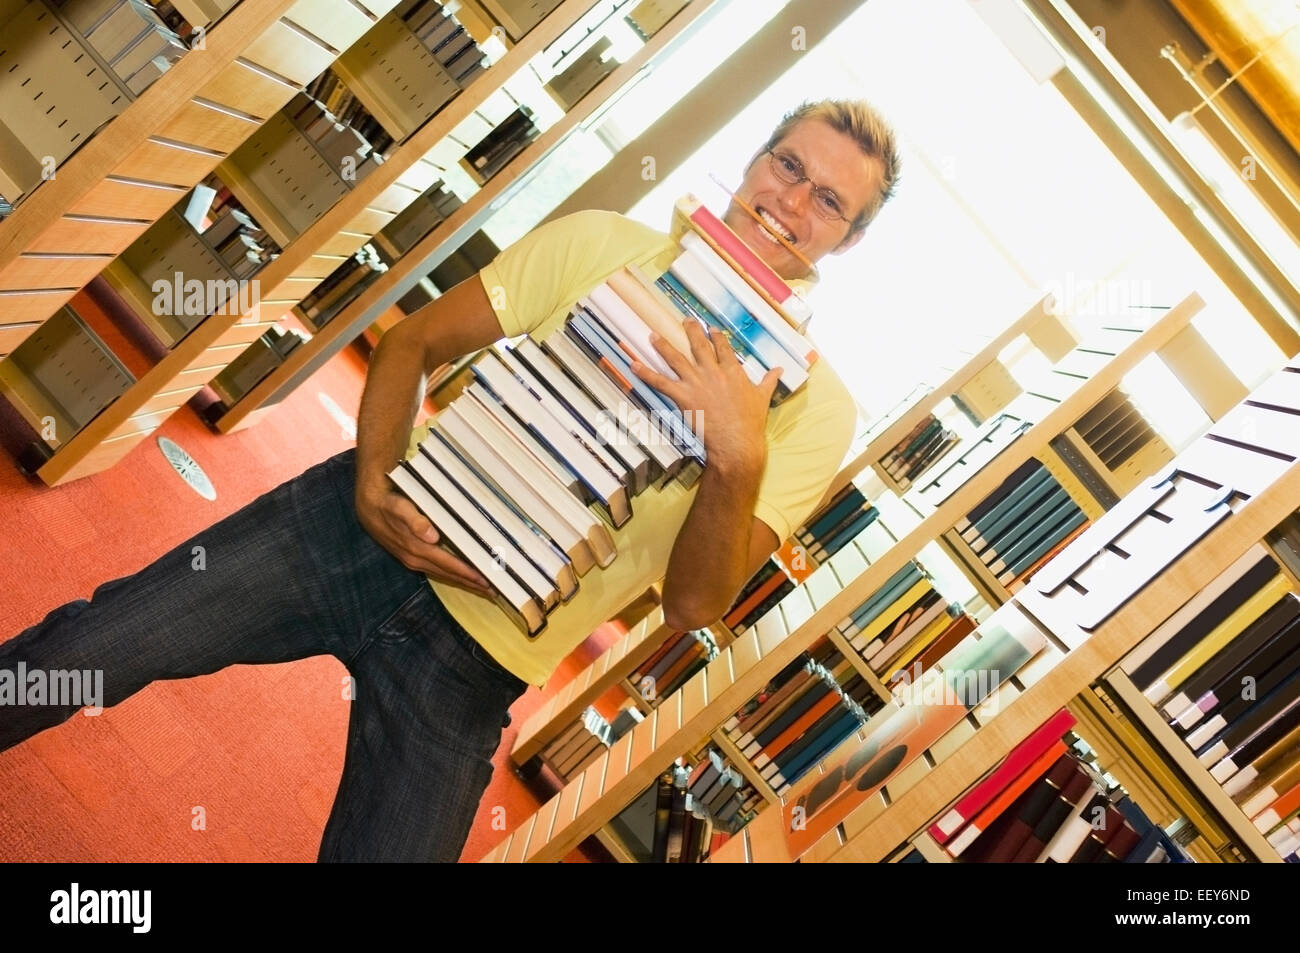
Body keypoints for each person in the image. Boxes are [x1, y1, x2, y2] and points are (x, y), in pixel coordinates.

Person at [0, 99, 900, 862]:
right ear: (754, 158)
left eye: (828, 201)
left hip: (478, 660)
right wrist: (373, 480)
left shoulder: (818, 412)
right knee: (88, 651)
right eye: (788, 164)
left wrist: (737, 454)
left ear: (849, 243)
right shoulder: (604, 244)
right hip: (349, 532)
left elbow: (696, 605)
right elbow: (413, 342)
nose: (792, 201)